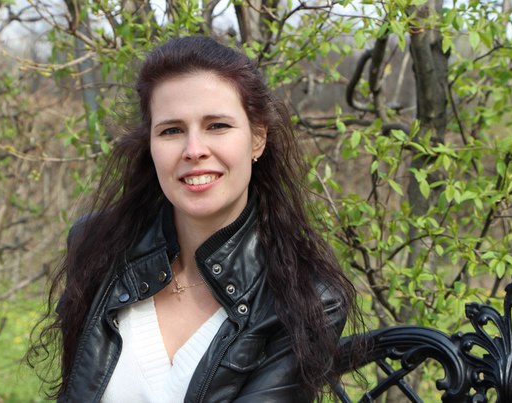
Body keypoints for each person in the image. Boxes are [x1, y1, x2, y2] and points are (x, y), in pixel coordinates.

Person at [28, 35, 363, 402]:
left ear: (257, 139)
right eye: (171, 130)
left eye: (217, 126)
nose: (194, 150)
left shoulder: (307, 298)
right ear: (150, 144)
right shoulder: (98, 245)